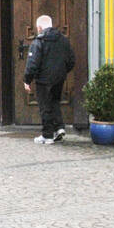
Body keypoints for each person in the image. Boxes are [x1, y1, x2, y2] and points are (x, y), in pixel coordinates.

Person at [24, 14, 76, 144]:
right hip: (59, 78)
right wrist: (63, 72)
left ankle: (47, 136)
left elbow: (32, 63)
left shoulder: (39, 41)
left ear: (40, 27)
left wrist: (27, 80)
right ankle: (59, 128)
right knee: (55, 102)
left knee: (45, 106)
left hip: (43, 80)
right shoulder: (63, 40)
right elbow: (71, 60)